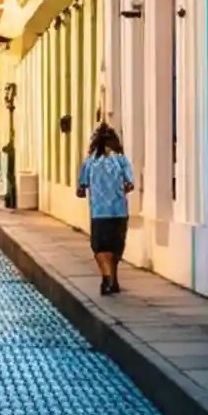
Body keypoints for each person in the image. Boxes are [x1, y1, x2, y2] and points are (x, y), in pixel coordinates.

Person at [77, 124, 135, 296]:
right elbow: (130, 185)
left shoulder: (90, 161)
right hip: (119, 212)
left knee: (100, 248)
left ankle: (107, 277)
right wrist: (116, 190)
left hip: (99, 212)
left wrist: (91, 189)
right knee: (115, 248)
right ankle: (112, 280)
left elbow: (81, 188)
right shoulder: (121, 160)